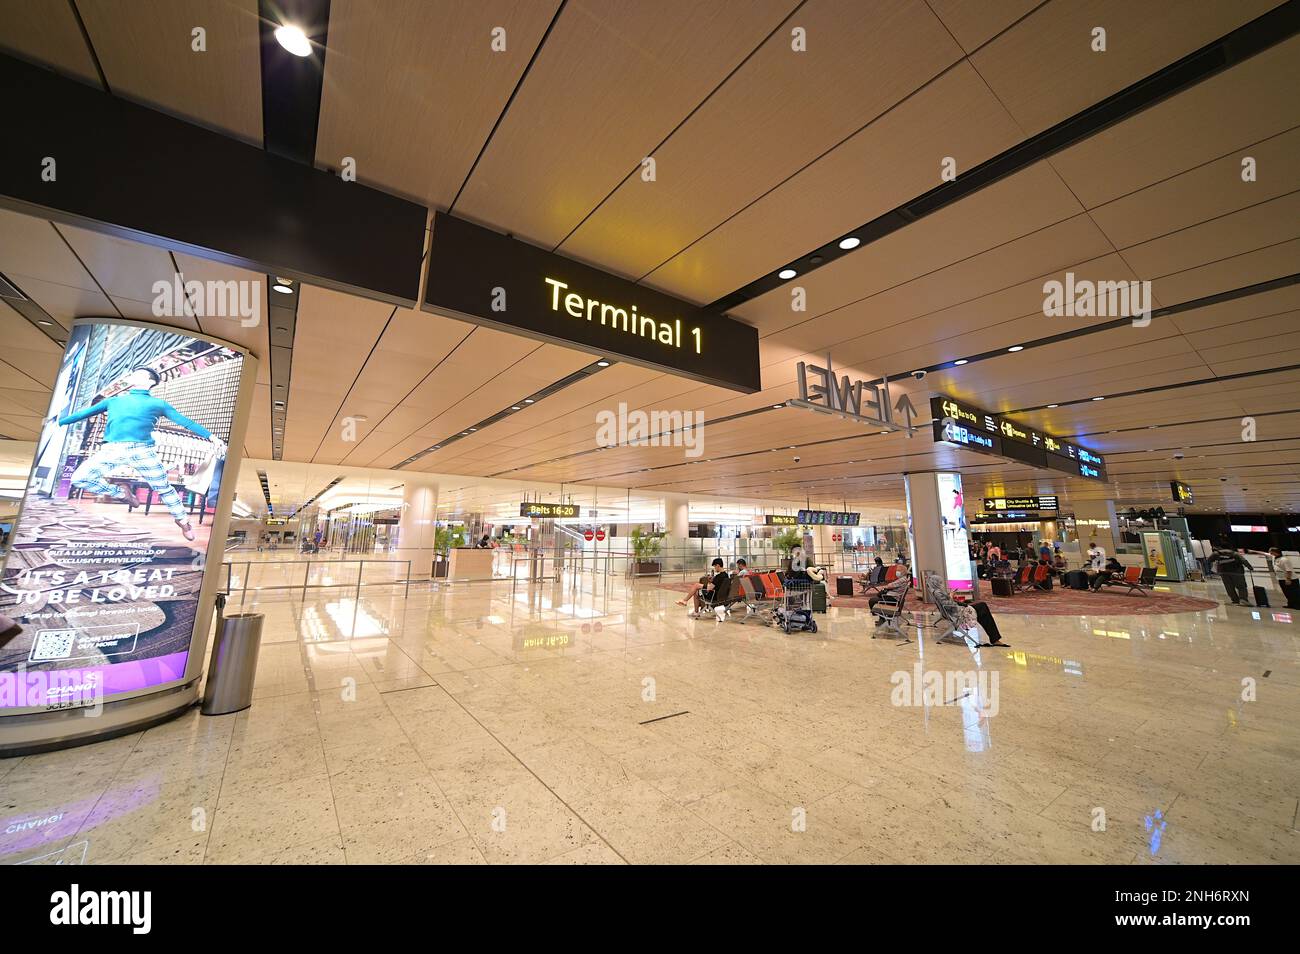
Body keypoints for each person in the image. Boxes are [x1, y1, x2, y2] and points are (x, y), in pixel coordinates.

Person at [51, 366, 223, 542]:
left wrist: (211, 437)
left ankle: (183, 521)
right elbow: (83, 413)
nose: (133, 376)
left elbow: (186, 422)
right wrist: (59, 422)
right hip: (112, 449)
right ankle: (121, 493)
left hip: (142, 450)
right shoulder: (113, 401)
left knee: (163, 487)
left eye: (139, 374)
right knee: (79, 478)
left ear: (150, 382)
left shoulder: (158, 404)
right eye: (133, 374)